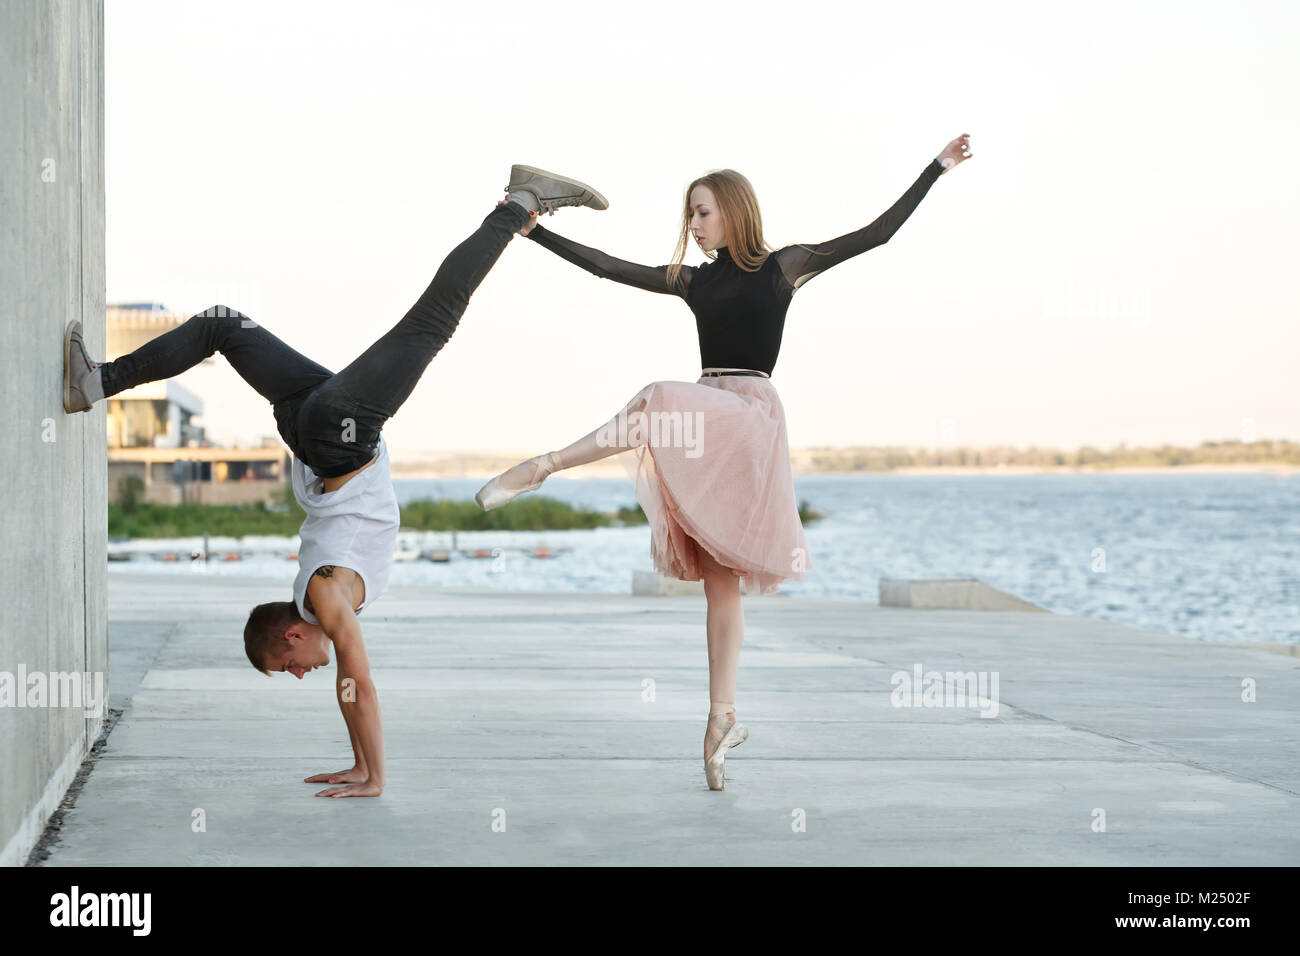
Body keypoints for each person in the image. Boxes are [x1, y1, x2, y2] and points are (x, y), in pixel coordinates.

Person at [62, 165, 608, 797]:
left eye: (287, 665)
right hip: (310, 427)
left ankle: (520, 202)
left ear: (293, 633)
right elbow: (350, 688)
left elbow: (360, 685)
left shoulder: (324, 597)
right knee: (220, 322)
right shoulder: (319, 595)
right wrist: (359, 765)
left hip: (337, 434)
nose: (299, 675)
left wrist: (376, 779)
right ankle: (95, 384)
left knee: (433, 321)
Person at [476, 135, 973, 789]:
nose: (694, 224)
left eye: (703, 212)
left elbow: (876, 235)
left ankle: (544, 465)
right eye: (690, 214)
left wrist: (934, 169)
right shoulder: (693, 282)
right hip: (711, 419)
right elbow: (605, 266)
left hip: (751, 418)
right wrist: (530, 231)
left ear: (734, 212)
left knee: (656, 399)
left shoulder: (784, 267)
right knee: (719, 584)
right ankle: (721, 719)